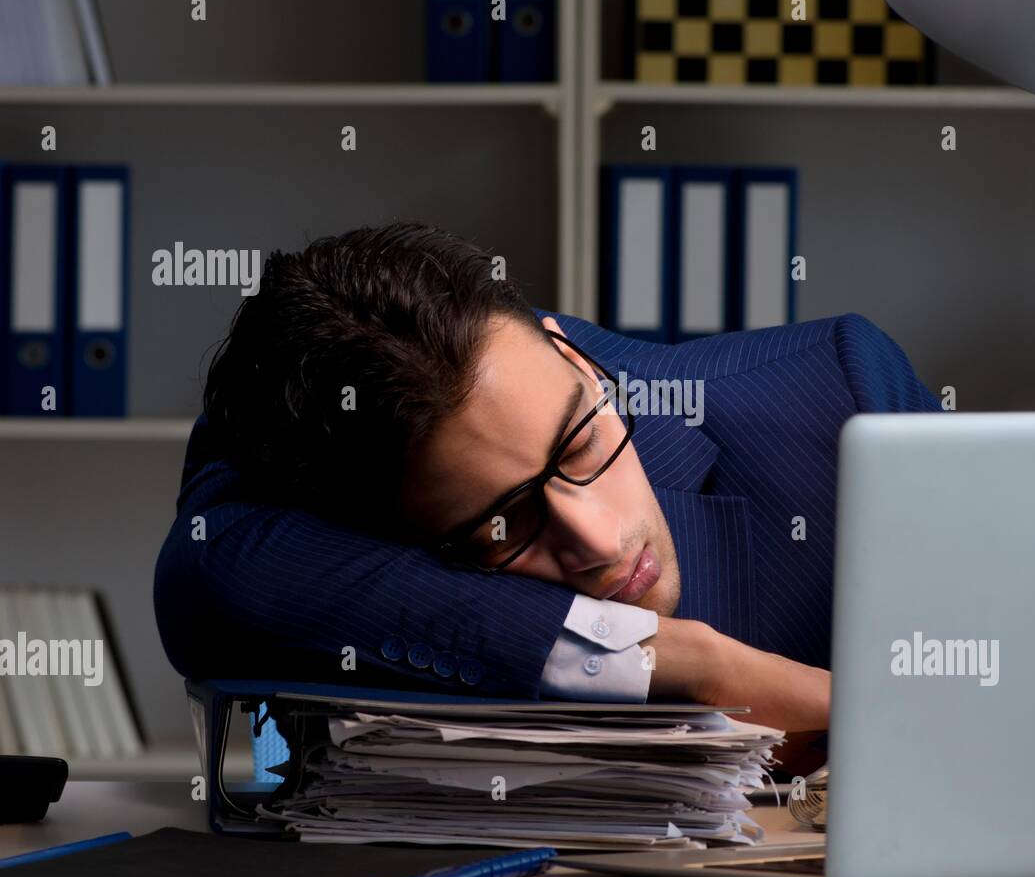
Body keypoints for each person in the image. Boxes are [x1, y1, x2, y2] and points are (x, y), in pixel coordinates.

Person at [154, 222, 941, 751]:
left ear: (576, 358)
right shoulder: (324, 509)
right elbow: (211, 576)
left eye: (580, 440)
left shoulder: (844, 403)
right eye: (506, 524)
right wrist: (692, 663)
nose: (598, 541)